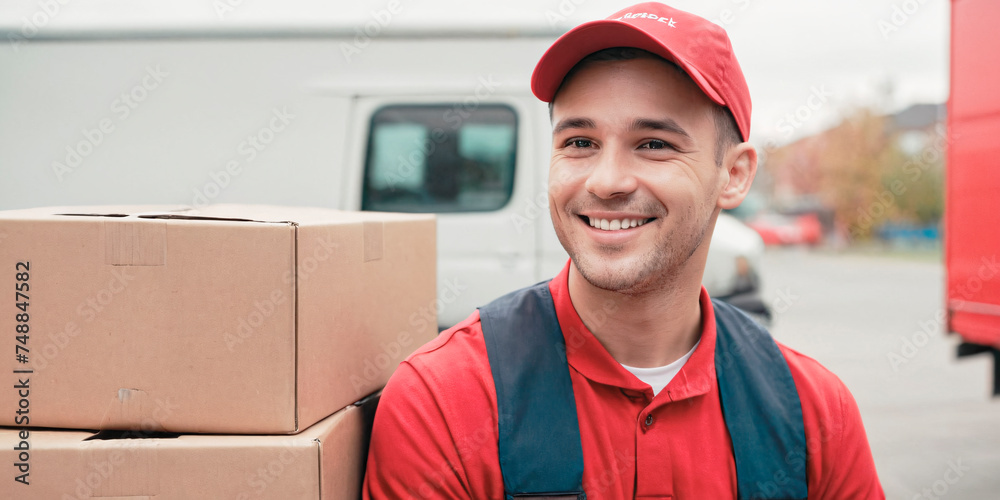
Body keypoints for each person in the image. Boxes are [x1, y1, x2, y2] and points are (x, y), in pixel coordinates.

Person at [363, 3, 884, 499]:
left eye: (654, 144)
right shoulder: (443, 401)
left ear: (735, 174)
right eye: (580, 143)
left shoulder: (814, 414)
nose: (607, 180)